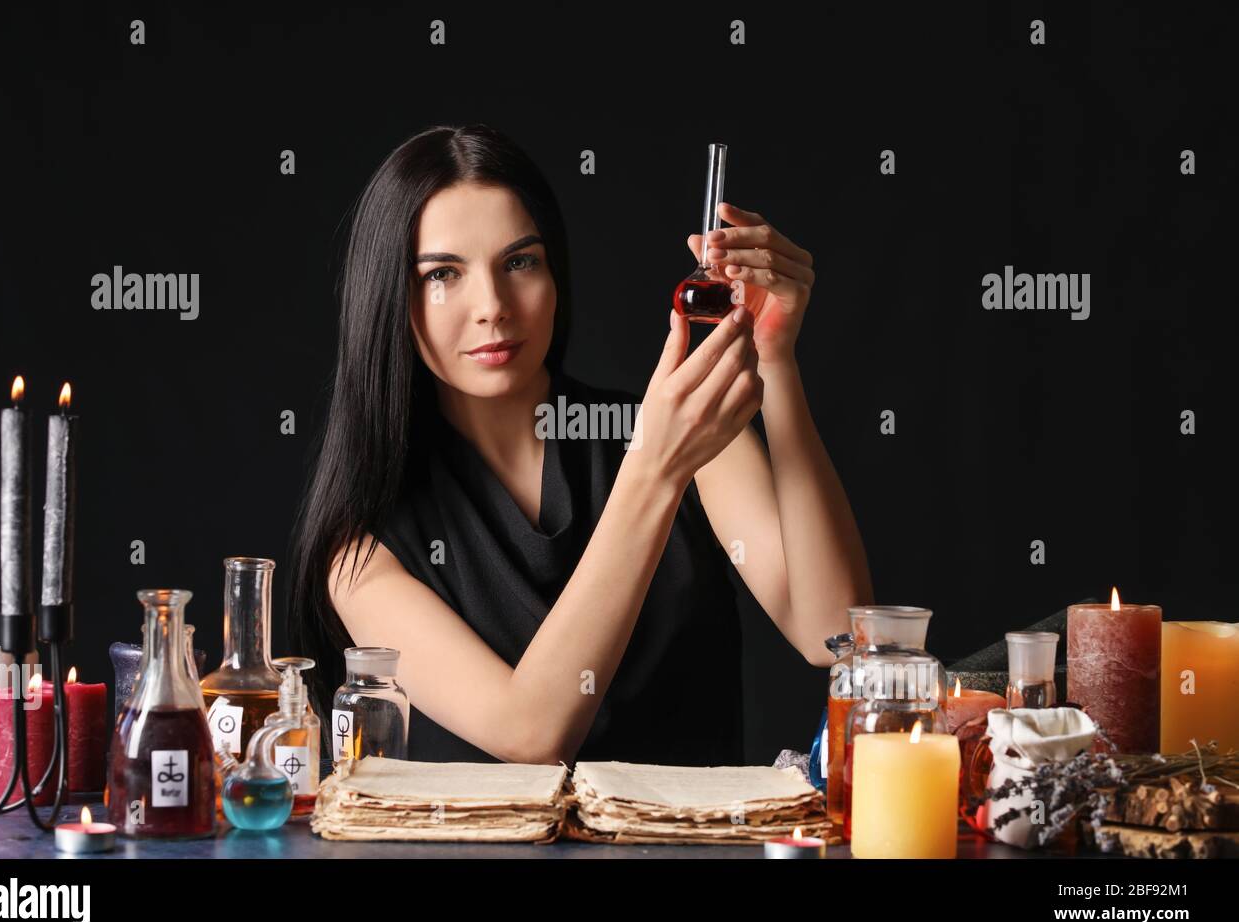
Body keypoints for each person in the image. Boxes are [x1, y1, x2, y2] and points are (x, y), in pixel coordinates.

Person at [289, 123, 873, 766]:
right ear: (390, 298)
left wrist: (775, 358)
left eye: (519, 262)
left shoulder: (686, 434)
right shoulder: (364, 547)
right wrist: (654, 469)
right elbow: (531, 734)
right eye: (442, 274)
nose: (492, 305)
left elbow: (834, 633)